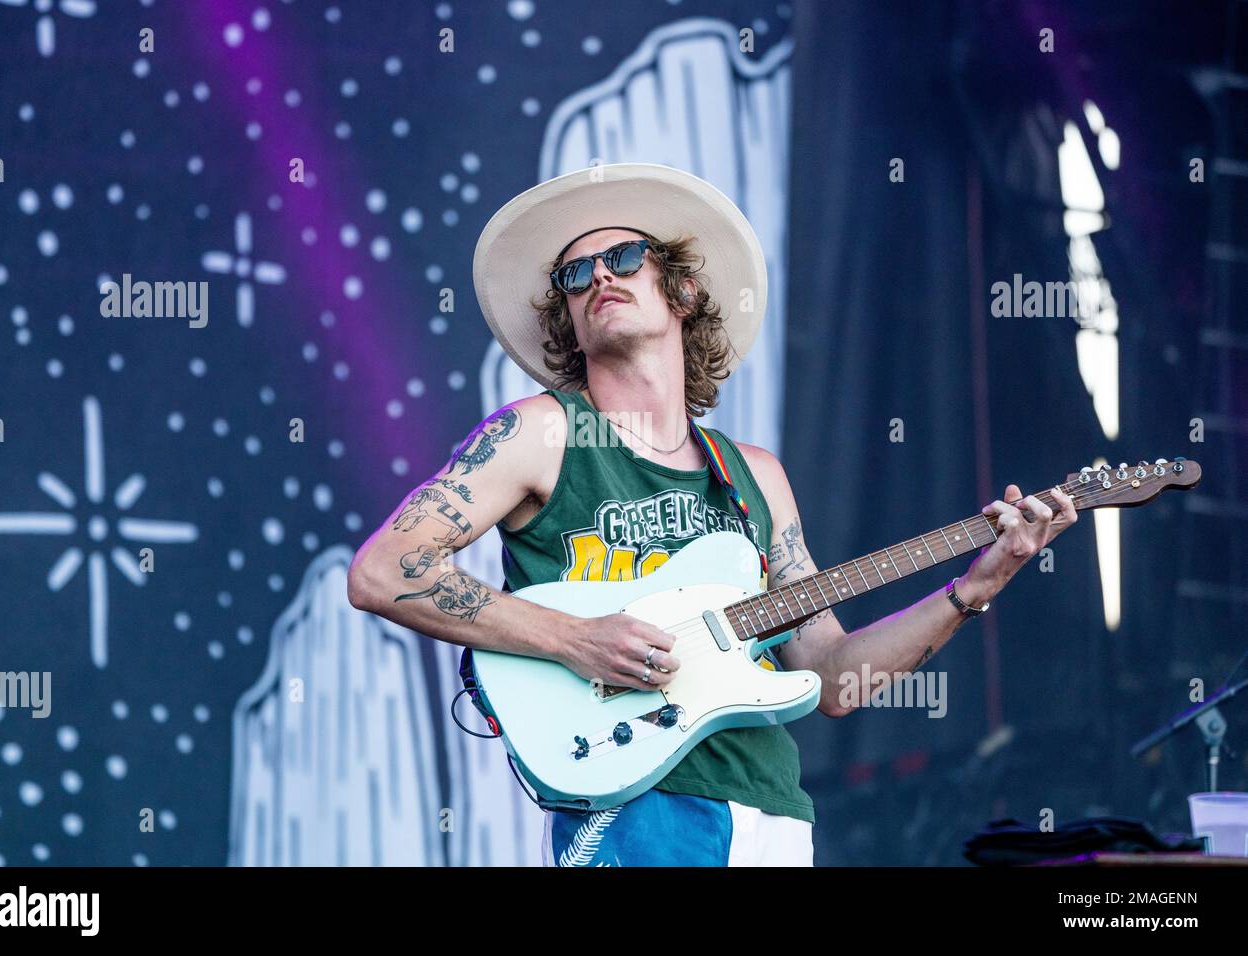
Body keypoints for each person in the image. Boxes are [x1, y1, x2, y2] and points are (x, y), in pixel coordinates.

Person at [347, 163, 1079, 866]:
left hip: (773, 812)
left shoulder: (755, 475)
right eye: (575, 274)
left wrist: (972, 592)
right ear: (567, 323)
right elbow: (383, 571)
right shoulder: (540, 432)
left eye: (625, 257)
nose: (600, 275)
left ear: (684, 291)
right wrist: (576, 640)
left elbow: (828, 677)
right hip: (635, 802)